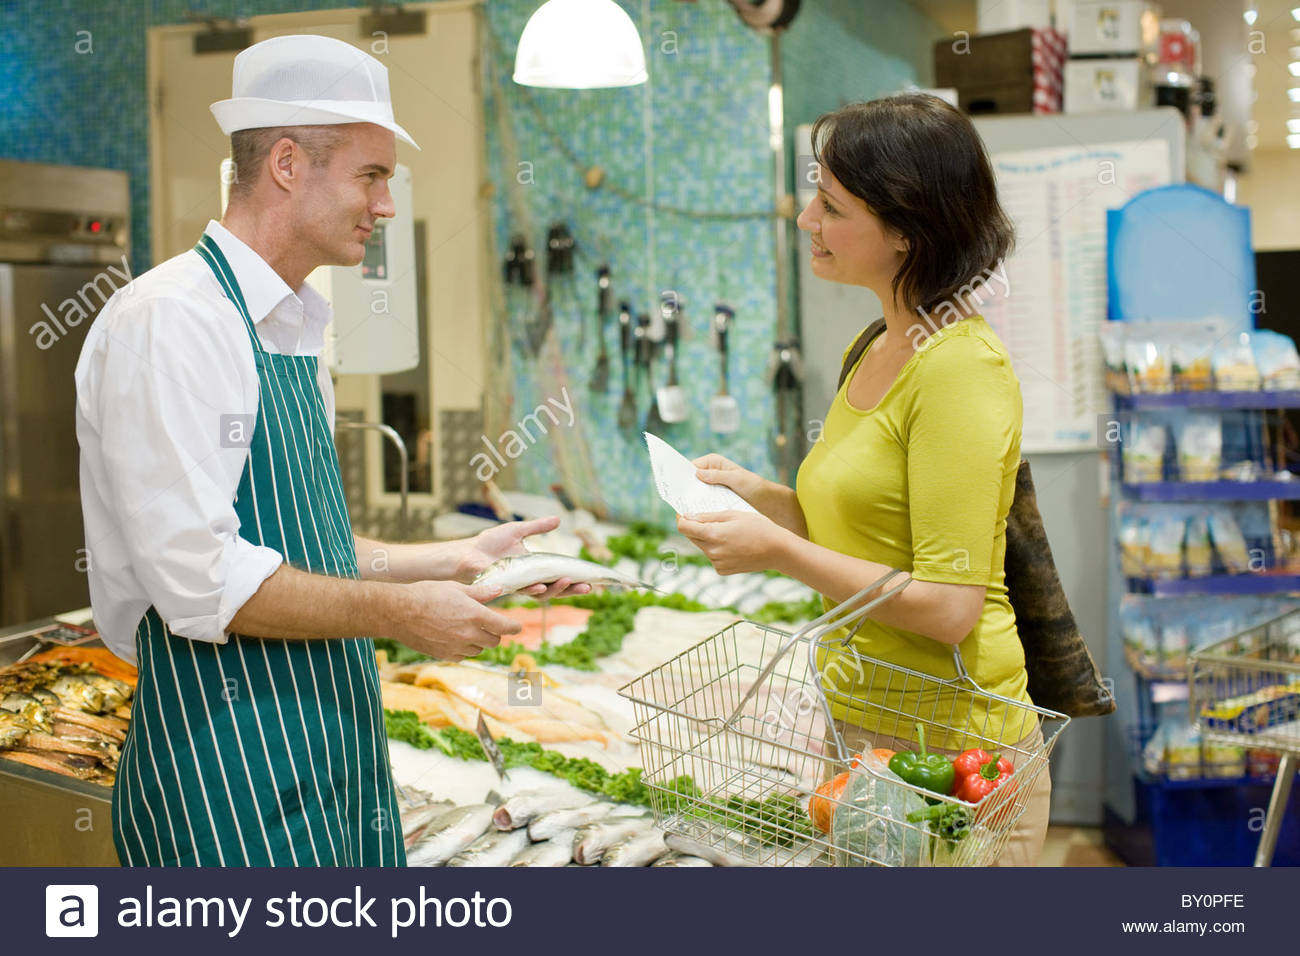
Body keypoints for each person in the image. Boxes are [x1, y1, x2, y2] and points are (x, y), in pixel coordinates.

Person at [74, 35, 585, 867]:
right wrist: (406, 616)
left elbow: (296, 549)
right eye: (372, 175)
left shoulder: (298, 324)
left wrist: (449, 560)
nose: (386, 206)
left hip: (332, 748)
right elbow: (205, 583)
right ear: (285, 163)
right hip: (227, 776)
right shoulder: (171, 321)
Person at [676, 93, 1050, 865]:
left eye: (831, 203)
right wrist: (767, 502)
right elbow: (866, 537)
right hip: (863, 732)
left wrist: (775, 552)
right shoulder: (876, 343)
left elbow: (948, 607)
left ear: (907, 231)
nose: (806, 218)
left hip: (957, 758)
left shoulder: (958, 370)